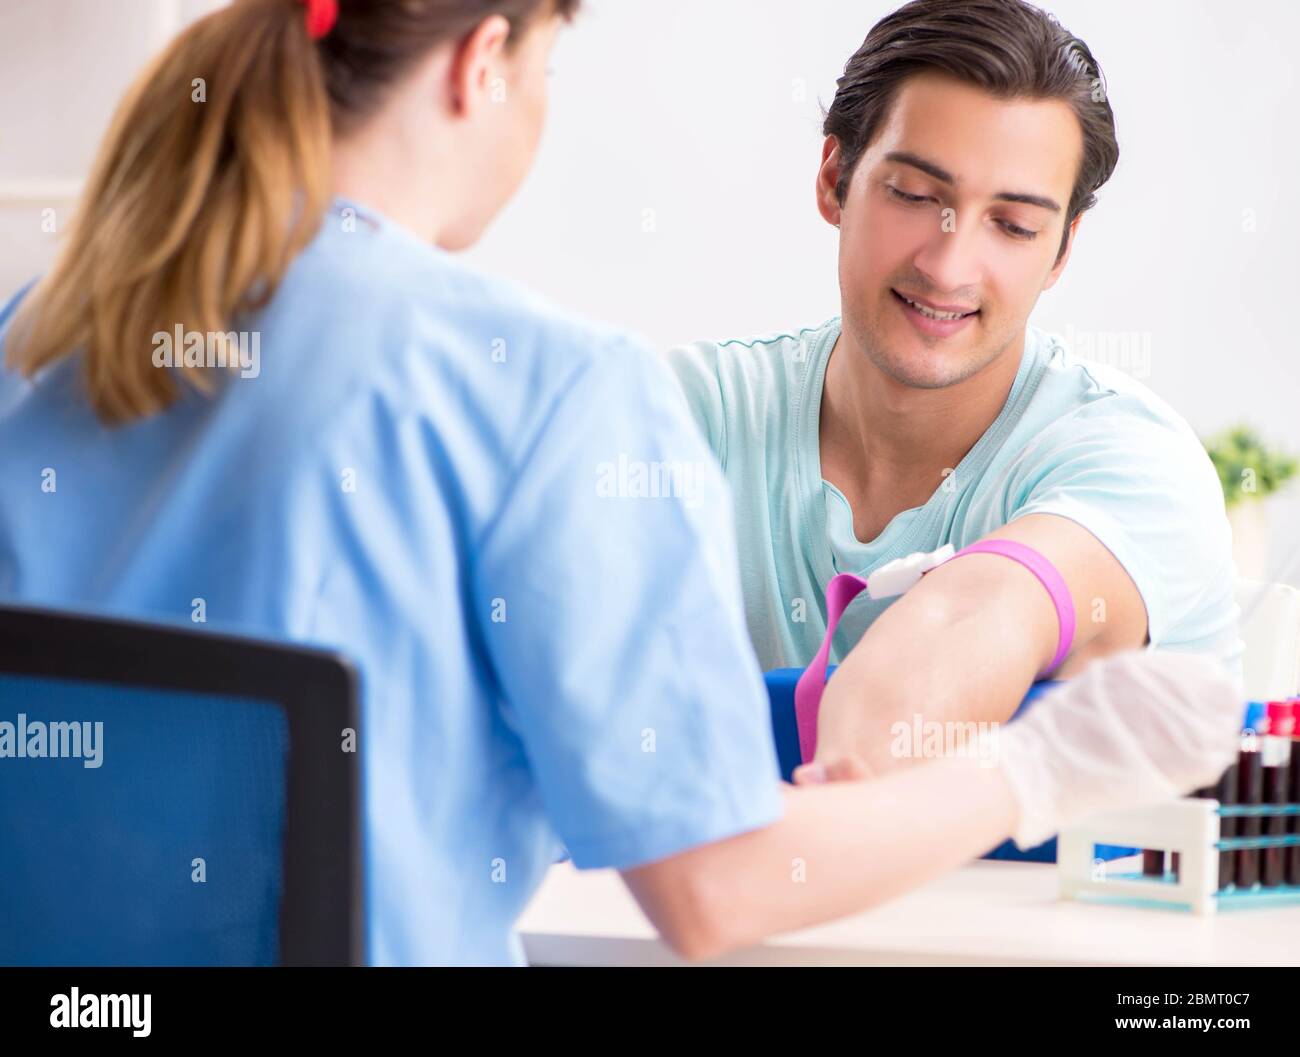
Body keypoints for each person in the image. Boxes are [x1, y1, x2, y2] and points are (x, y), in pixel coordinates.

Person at [0, 0, 1240, 965]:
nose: (951, 255)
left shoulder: (39, 337)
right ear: (485, 60)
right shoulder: (544, 390)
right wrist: (1038, 766)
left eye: (1013, 222)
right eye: (547, 67)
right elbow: (715, 889)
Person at [664, 0, 1242, 780]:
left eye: (1012, 225)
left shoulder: (1134, 465)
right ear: (836, 179)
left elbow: (980, 614)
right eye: (911, 194)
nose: (948, 265)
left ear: (1062, 249)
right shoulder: (691, 415)